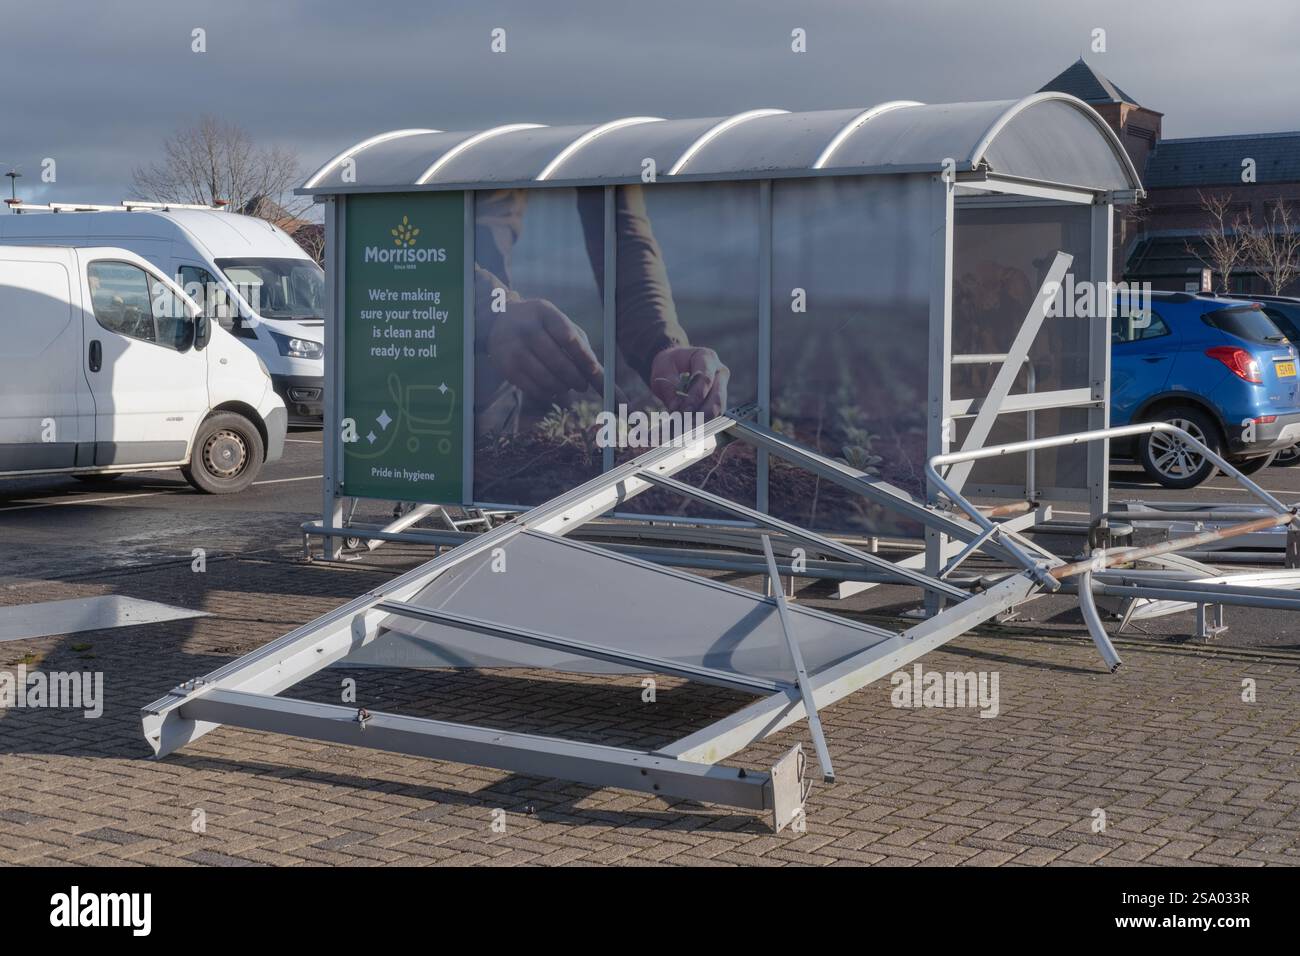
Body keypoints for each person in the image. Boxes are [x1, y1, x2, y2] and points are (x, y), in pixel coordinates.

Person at [472, 186, 729, 435]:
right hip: (437, 323)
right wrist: (484, 307)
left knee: (484, 457)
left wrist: (661, 343)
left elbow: (618, 224)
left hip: (489, 351)